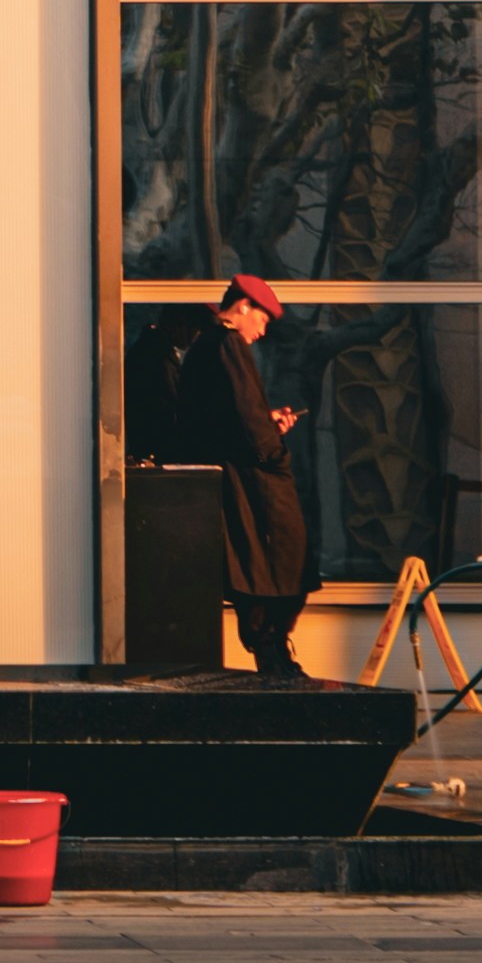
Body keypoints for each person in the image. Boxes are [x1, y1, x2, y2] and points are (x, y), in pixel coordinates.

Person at [182, 274, 313, 677]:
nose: (263, 330)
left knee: (261, 569)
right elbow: (247, 418)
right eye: (262, 318)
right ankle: (273, 653)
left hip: (233, 476)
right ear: (242, 308)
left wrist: (266, 424)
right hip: (255, 483)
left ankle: (269, 650)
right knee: (284, 562)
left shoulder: (203, 346)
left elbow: (226, 417)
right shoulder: (228, 345)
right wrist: (274, 447)